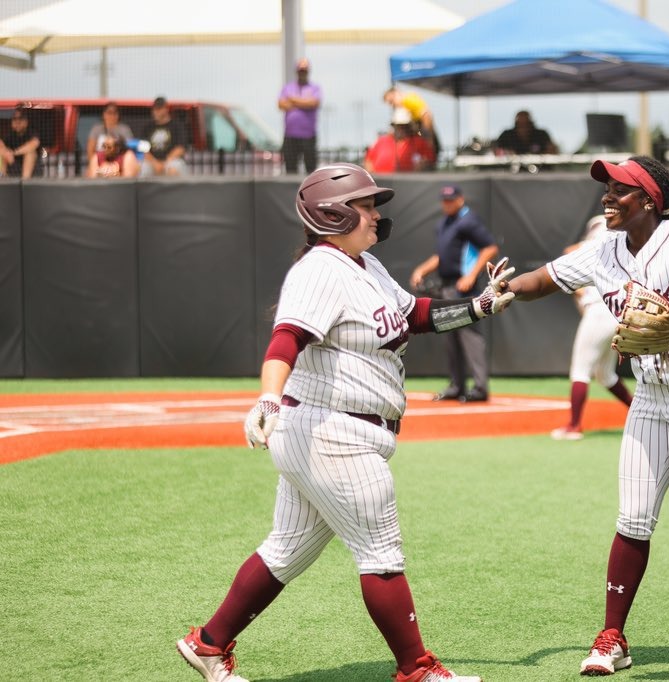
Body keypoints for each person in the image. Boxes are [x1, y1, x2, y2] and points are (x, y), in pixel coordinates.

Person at [174, 163, 513, 682]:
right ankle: (417, 670)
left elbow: (414, 315)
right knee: (381, 551)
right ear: (332, 213)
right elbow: (286, 339)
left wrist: (478, 307)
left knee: (284, 551)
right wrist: (266, 399)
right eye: (365, 205)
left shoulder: (364, 265)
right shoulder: (320, 269)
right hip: (331, 432)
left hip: (328, 430)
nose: (376, 214)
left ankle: (209, 643)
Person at [501, 156, 669, 680]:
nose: (607, 197)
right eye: (606, 189)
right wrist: (507, 290)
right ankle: (613, 637)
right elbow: (547, 278)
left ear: (649, 201)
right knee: (632, 519)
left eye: (619, 190)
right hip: (651, 397)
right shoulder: (605, 249)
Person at [410, 185, 501, 402]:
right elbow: (442, 255)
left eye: (451, 200)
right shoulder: (445, 223)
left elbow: (490, 248)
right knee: (450, 336)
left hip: (463, 288)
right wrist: (422, 269)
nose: (447, 203)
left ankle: (480, 387)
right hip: (446, 285)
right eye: (444, 200)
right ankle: (457, 385)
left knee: (469, 336)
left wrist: (470, 275)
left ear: (460, 199)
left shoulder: (469, 220)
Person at [550, 214, 633, 440]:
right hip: (618, 311)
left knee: (580, 370)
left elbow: (569, 252)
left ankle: (574, 426)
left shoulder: (599, 241)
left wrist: (576, 290)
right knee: (604, 374)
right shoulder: (623, 243)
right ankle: (638, 413)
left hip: (599, 310)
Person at [278, 57, 322, 174]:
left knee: (311, 170)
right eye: (300, 70)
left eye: (305, 70)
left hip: (308, 136)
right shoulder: (288, 87)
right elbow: (281, 104)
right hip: (290, 135)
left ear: (308, 71)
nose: (302, 73)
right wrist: (304, 102)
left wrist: (292, 100)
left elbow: (314, 103)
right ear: (297, 71)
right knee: (290, 169)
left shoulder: (315, 88)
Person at [364, 107, 436, 173]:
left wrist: (422, 167)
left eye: (404, 126)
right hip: (382, 183)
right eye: (398, 126)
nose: (401, 129)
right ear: (393, 126)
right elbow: (368, 161)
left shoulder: (418, 142)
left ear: (409, 126)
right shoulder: (382, 140)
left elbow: (429, 161)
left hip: (409, 183)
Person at [384, 85, 440, 158]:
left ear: (396, 94)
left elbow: (426, 115)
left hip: (424, 128)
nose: (392, 105)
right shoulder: (407, 102)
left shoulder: (408, 100)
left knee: (428, 151)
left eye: (391, 101)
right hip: (422, 128)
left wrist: (428, 137)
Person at [139, 96, 188, 177]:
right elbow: (143, 150)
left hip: (171, 160)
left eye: (159, 109)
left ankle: (178, 190)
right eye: (154, 109)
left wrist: (166, 162)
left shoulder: (177, 125)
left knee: (174, 168)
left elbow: (181, 148)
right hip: (152, 162)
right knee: (144, 169)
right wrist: (155, 163)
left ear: (166, 109)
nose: (156, 112)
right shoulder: (147, 127)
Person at [0, 106, 41, 178]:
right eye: (14, 119)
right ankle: (4, 180)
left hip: (32, 171)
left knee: (31, 153)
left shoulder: (31, 132)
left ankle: (25, 183)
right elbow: (1, 144)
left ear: (26, 121)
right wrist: (6, 152)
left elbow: (34, 143)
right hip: (13, 166)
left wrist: (13, 153)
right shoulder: (10, 135)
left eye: (20, 119)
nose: (17, 122)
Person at [495, 110, 559, 155]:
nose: (523, 128)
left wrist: (540, 155)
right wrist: (507, 153)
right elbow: (496, 150)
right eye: (520, 125)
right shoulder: (507, 135)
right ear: (515, 124)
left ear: (531, 123)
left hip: (541, 170)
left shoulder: (541, 134)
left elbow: (553, 150)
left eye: (526, 124)